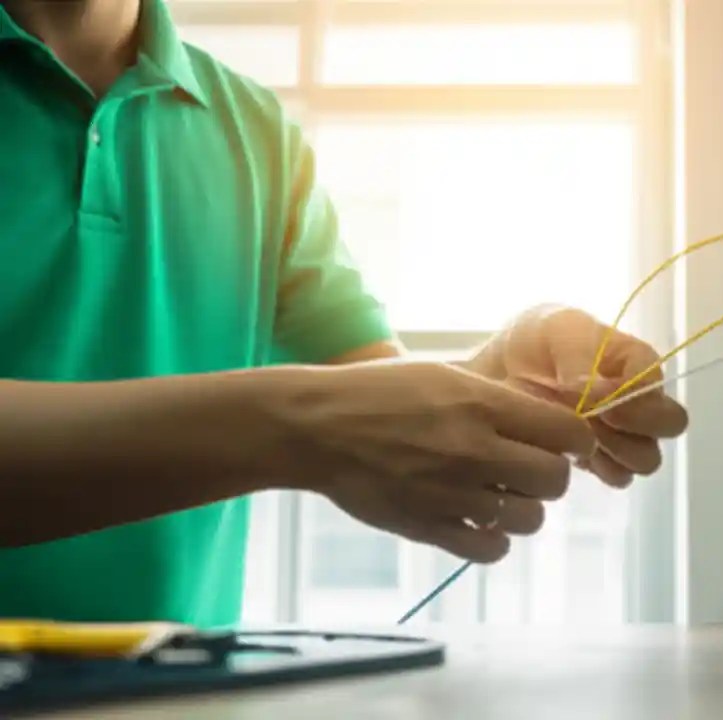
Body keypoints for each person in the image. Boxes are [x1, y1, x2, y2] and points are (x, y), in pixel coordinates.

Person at [0, 0, 688, 627]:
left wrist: (503, 390)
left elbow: (367, 411)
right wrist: (296, 426)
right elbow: (329, 419)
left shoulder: (254, 130)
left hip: (186, 695)